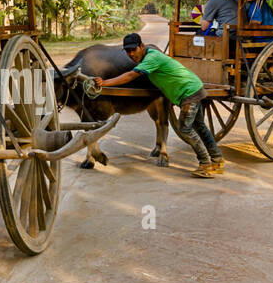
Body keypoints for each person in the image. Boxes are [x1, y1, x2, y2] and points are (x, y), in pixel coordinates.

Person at [94, 32, 223, 177]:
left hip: (189, 93)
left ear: (142, 46)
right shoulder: (149, 55)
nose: (131, 54)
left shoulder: (152, 58)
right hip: (194, 88)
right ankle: (217, 160)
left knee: (185, 129)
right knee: (199, 126)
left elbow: (130, 75)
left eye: (134, 50)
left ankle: (205, 164)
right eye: (128, 51)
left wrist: (106, 83)